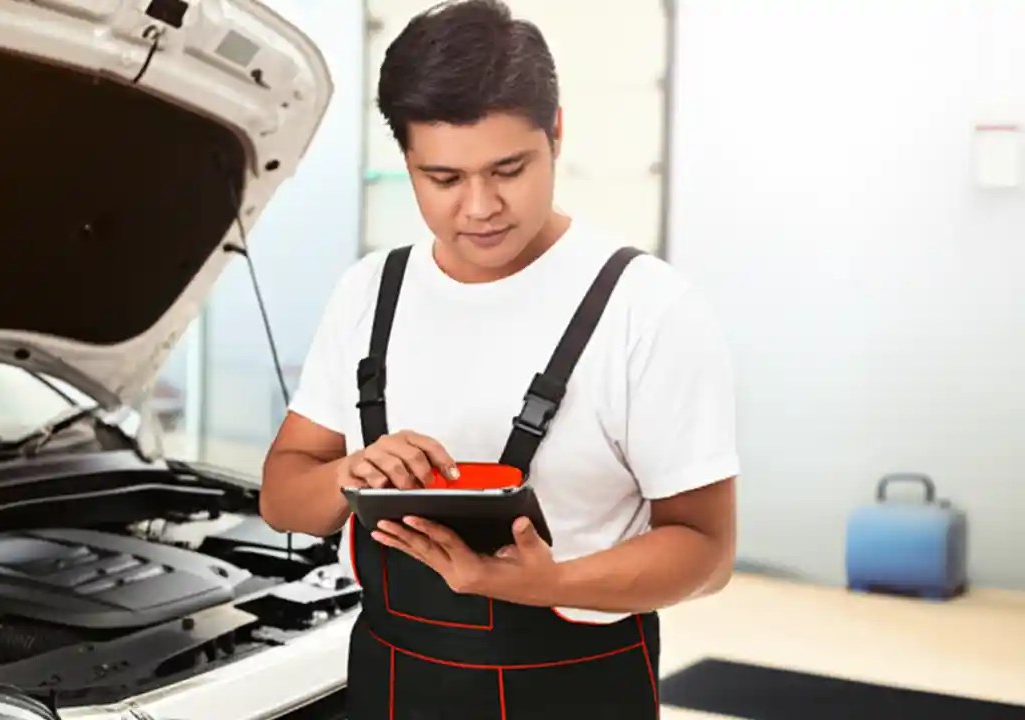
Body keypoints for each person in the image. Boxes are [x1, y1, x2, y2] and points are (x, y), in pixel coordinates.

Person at [259, 1, 738, 716]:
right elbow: (282, 496)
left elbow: (705, 550)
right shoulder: (370, 293)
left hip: (573, 685)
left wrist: (550, 584)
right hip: (392, 679)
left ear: (557, 133)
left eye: (508, 168)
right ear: (409, 163)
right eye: (444, 179)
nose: (479, 206)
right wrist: (350, 473)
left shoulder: (648, 309)